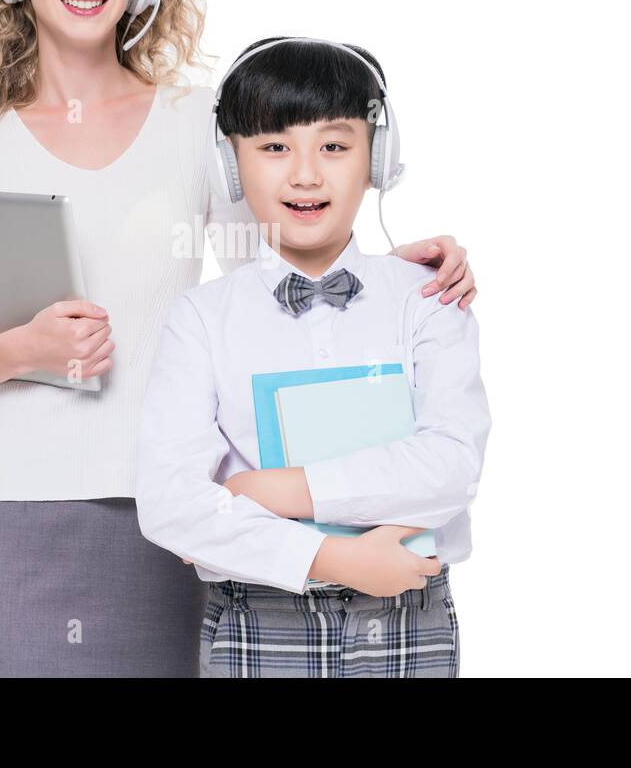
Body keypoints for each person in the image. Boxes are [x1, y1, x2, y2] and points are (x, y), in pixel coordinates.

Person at [0, 0, 479, 678]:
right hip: (22, 511)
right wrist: (23, 350)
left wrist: (394, 268)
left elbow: (267, 281)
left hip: (195, 510)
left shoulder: (198, 123)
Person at [135, 37, 491, 677]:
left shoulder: (427, 296)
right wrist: (330, 557)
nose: (304, 174)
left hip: (410, 621)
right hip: (258, 622)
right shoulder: (202, 320)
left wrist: (265, 491)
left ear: (378, 158)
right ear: (229, 164)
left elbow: (450, 468)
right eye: (274, 147)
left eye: (335, 145)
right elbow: (172, 505)